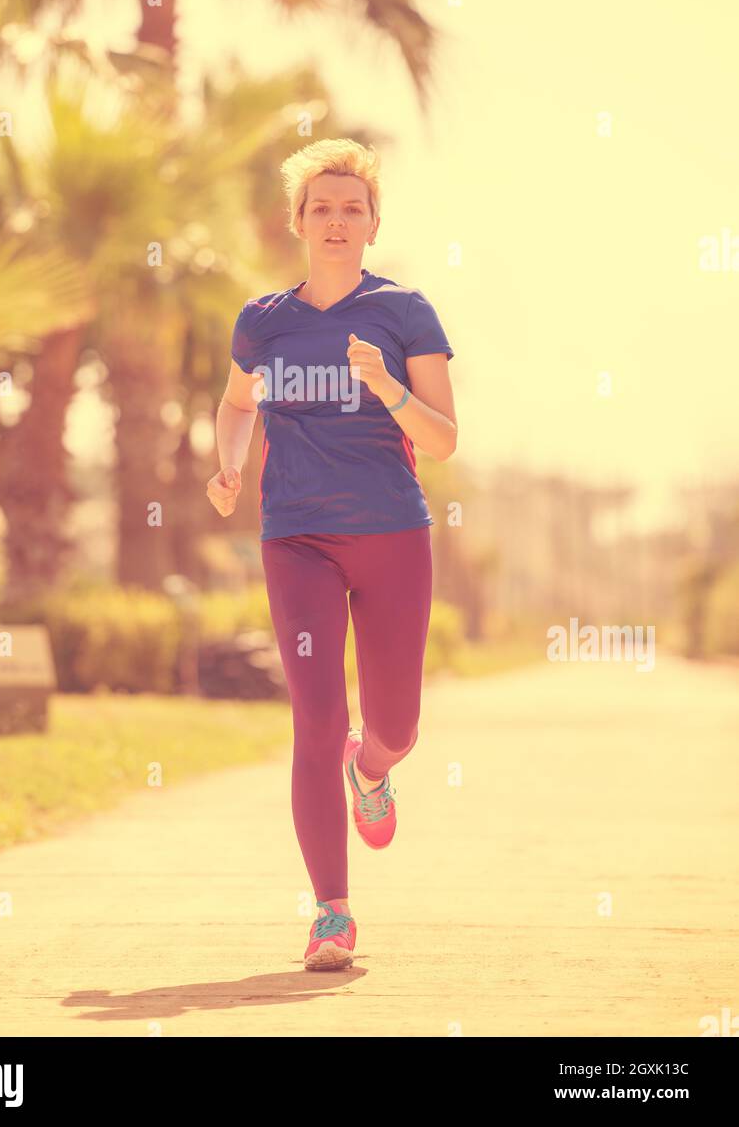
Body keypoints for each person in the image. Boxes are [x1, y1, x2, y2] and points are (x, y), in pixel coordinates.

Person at [207, 137, 457, 971]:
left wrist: (387, 386)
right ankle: (330, 914)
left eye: (353, 207)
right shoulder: (263, 322)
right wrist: (231, 461)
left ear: (373, 222)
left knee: (395, 726)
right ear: (297, 223)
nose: (337, 220)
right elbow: (237, 404)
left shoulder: (404, 313)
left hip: (391, 534)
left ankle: (373, 769)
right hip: (298, 540)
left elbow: (445, 439)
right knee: (315, 721)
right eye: (322, 208)